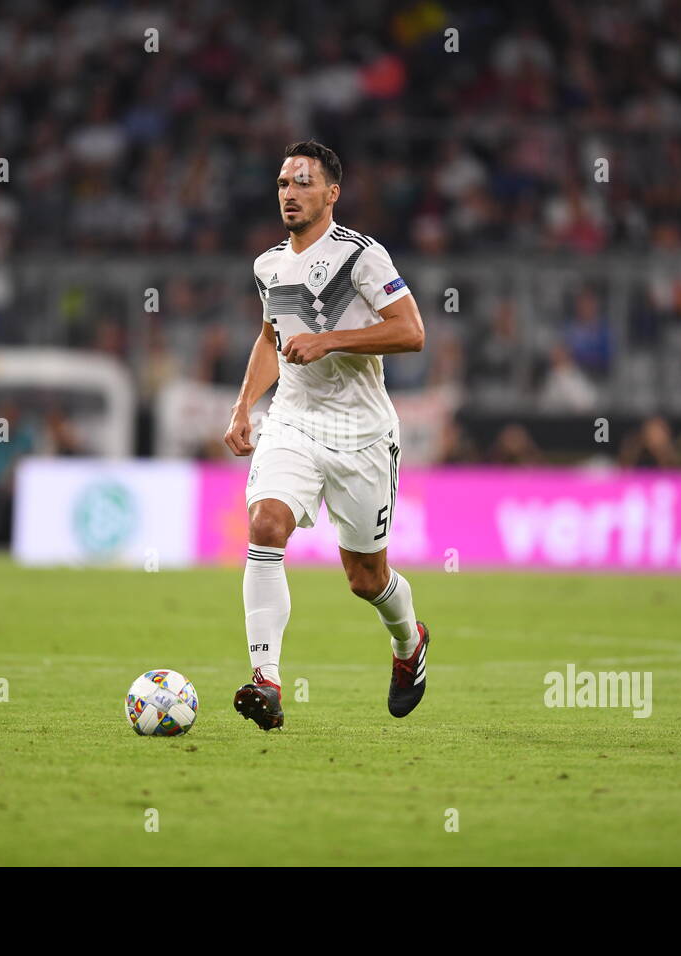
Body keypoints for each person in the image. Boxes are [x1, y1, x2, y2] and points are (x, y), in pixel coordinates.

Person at [222, 141, 428, 731]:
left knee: (365, 578)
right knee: (265, 524)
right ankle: (266, 679)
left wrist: (332, 339)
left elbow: (411, 332)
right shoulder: (267, 266)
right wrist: (243, 407)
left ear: (331, 194)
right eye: (284, 183)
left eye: (303, 183)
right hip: (293, 419)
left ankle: (408, 642)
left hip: (362, 433)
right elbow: (269, 337)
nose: (290, 193)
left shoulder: (362, 257)